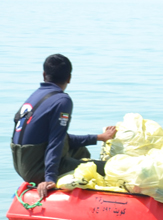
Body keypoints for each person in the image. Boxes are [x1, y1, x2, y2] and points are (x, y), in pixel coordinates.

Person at [11, 54, 117, 196]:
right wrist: (49, 178)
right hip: (37, 168)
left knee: (80, 150)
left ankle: (75, 182)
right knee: (109, 168)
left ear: (44, 75)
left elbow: (61, 138)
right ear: (69, 78)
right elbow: (56, 141)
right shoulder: (62, 100)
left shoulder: (36, 95)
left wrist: (99, 137)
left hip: (22, 164)